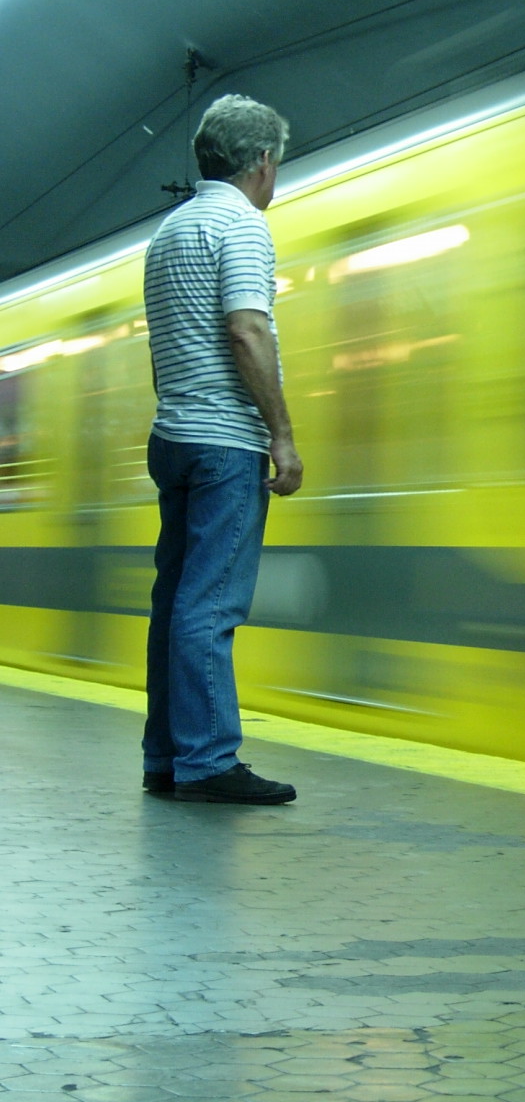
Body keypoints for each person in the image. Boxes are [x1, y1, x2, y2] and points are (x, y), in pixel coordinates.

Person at [141, 94, 302, 804]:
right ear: (261, 161)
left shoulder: (170, 231)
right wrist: (282, 435)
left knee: (175, 602)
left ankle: (166, 758)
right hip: (221, 442)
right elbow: (246, 330)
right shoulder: (242, 225)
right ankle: (207, 762)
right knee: (209, 607)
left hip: (172, 434)